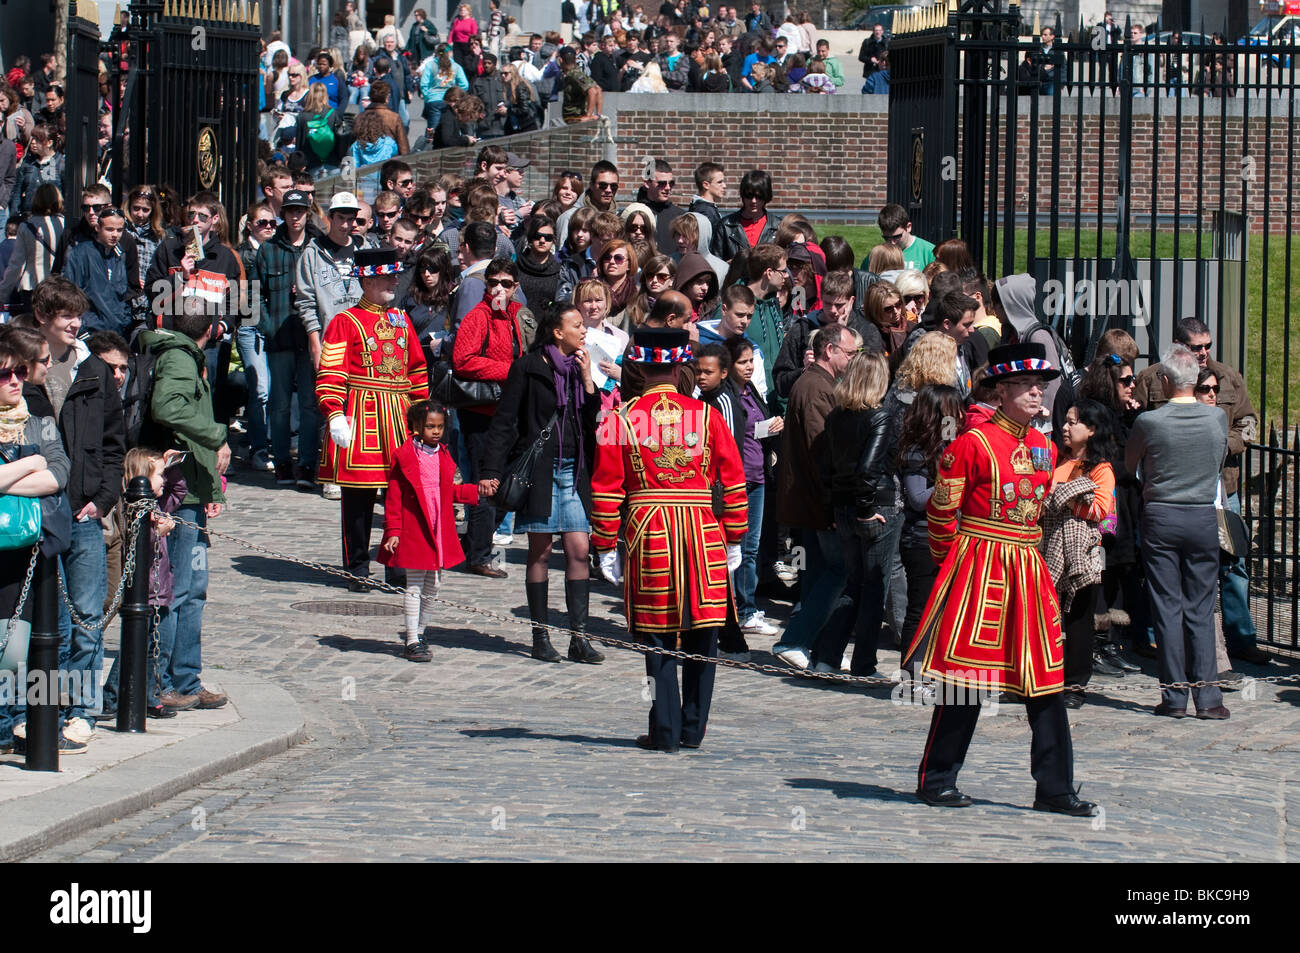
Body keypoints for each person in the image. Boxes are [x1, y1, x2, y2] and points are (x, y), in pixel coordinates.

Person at [905, 342, 1097, 816]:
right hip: (980, 567)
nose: (1037, 393)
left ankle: (1054, 787)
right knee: (965, 679)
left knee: (1045, 680)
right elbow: (942, 511)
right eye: (1026, 386)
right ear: (1001, 391)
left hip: (1028, 569)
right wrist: (955, 569)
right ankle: (938, 777)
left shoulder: (1042, 446)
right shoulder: (972, 442)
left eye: (1040, 385)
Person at [590, 321, 747, 752]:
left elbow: (606, 490)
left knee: (657, 638)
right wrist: (734, 537)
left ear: (639, 366)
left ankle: (665, 730)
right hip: (701, 534)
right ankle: (693, 728)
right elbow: (733, 483)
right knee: (704, 630)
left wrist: (605, 545)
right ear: (683, 368)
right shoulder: (709, 417)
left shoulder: (618, 420)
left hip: (650, 535)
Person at [20, 278, 125, 742]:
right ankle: (38, 711)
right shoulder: (24, 369)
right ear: (43, 317)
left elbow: (113, 444)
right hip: (39, 512)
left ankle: (80, 709)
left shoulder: (94, 370)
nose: (75, 323)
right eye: (65, 316)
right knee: (44, 622)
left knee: (87, 617)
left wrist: (99, 501)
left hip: (82, 511)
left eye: (78, 315)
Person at [1132, 317, 1263, 665]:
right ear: (1178, 345)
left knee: (1232, 564)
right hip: (1167, 489)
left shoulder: (1228, 377)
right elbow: (1137, 430)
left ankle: (1241, 638)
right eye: (1195, 347)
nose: (1203, 353)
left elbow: (1248, 422)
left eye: (1207, 346)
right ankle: (1152, 637)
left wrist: (1221, 445)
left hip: (1223, 486)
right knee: (1159, 568)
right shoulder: (1153, 379)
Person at [480, 305, 604, 663]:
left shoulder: (579, 366)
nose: (583, 331)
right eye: (577, 325)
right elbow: (504, 422)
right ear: (556, 331)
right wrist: (490, 470)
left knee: (580, 550)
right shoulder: (528, 368)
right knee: (542, 552)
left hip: (573, 468)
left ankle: (578, 638)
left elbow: (592, 417)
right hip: (541, 469)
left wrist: (587, 379)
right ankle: (540, 636)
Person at [1125, 344, 1230, 720]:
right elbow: (1218, 460)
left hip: (1162, 514)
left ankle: (1174, 698)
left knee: (1167, 607)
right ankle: (1208, 698)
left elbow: (1131, 463)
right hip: (1202, 514)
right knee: (1201, 608)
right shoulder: (1215, 419)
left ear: (1166, 380)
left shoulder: (1150, 422)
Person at [139, 297, 232, 713]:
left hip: (194, 491)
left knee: (192, 591)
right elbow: (168, 407)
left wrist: (213, 487)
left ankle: (186, 678)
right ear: (211, 328)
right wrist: (216, 433)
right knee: (174, 592)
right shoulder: (179, 357)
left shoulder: (186, 354)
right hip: (179, 496)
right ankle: (161, 683)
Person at [317, 248, 429, 590]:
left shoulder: (401, 319)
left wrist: (422, 415)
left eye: (395, 275)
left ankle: (396, 566)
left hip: (398, 417)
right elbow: (330, 373)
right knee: (358, 497)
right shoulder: (344, 321)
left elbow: (417, 369)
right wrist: (335, 412)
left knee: (400, 495)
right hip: (362, 414)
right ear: (366, 280)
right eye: (386, 276)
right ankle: (357, 567)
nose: (394, 281)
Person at [0, 325, 73, 752]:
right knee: (4, 646)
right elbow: (41, 472)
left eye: (20, 374)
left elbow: (58, 475)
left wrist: (8, 479)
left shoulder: (40, 422)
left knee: (41, 640)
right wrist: (30, 467)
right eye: (5, 374)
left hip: (36, 546)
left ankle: (38, 723)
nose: (15, 382)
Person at [769, 323, 856, 670]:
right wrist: (834, 500)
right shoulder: (818, 388)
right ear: (829, 350)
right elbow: (824, 450)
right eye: (849, 352)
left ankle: (820, 648)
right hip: (817, 500)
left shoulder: (820, 384)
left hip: (813, 499)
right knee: (835, 571)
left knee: (821, 573)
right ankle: (795, 640)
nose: (852, 359)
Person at [809, 349, 899, 677]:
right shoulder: (879, 416)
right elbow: (868, 469)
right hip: (873, 507)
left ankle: (827, 656)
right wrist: (865, 509)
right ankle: (863, 665)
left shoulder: (836, 417)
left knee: (854, 585)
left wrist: (838, 507)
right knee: (873, 588)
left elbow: (827, 467)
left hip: (844, 508)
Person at [378, 400, 479, 662]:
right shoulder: (405, 456)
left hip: (439, 527)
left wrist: (476, 491)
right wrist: (393, 531)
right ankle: (411, 639)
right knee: (414, 583)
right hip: (415, 526)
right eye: (430, 426)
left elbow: (450, 491)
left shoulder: (444, 453)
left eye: (440, 427)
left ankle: (421, 633)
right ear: (415, 427)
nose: (436, 431)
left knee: (433, 584)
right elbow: (394, 497)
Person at [451, 257, 526, 579]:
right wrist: (511, 372)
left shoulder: (516, 315)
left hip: (507, 412)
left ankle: (472, 543)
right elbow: (463, 360)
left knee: (507, 483)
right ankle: (478, 554)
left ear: (515, 288)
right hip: (480, 413)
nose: (498, 288)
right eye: (493, 282)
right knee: (486, 481)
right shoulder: (477, 316)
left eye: (505, 284)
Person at [98, 447, 185, 720]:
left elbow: (178, 492)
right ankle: (113, 696)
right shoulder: (133, 509)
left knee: (157, 648)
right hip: (143, 593)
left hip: (161, 591)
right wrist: (155, 533)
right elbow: (134, 549)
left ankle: (147, 695)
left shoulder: (156, 505)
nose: (164, 480)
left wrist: (171, 465)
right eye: (160, 475)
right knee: (135, 647)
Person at [1045, 399, 1118, 709]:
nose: (1065, 426)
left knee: (1078, 619)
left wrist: (1063, 499)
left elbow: (1101, 508)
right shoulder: (1056, 459)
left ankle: (1075, 684)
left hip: (1083, 553)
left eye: (1073, 422)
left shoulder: (1101, 469)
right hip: (1048, 546)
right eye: (1066, 421)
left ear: (1090, 430)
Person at [895, 383, 964, 688]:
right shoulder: (917, 450)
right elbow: (918, 497)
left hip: (952, 538)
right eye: (954, 410)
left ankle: (936, 671)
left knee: (945, 611)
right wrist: (955, 485)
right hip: (922, 540)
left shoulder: (955, 446)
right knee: (920, 609)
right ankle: (911, 676)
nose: (960, 415)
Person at [249, 188, 318, 489]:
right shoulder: (268, 249)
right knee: (278, 406)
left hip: (310, 336)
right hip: (278, 337)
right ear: (282, 213)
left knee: (309, 404)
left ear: (307, 213)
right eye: (289, 210)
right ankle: (282, 463)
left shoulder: (316, 247)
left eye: (299, 211)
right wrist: (266, 325)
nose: (294, 216)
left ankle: (306, 464)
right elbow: (254, 295)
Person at [0, 183, 62, 312]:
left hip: (33, 286)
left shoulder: (26, 227)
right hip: (59, 286)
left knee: (33, 329)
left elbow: (16, 264)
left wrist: (3, 294)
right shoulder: (64, 224)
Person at [714, 169, 778, 261]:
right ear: (743, 195)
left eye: (759, 196)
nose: (753, 201)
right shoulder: (725, 225)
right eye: (749, 195)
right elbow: (716, 261)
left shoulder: (778, 226)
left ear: (766, 196)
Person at [559, 47, 602, 122]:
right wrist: (598, 114)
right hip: (575, 118)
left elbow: (593, 91)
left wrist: (588, 116)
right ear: (575, 59)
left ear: (561, 60)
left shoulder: (574, 75)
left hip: (575, 118)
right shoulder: (577, 73)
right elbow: (598, 88)